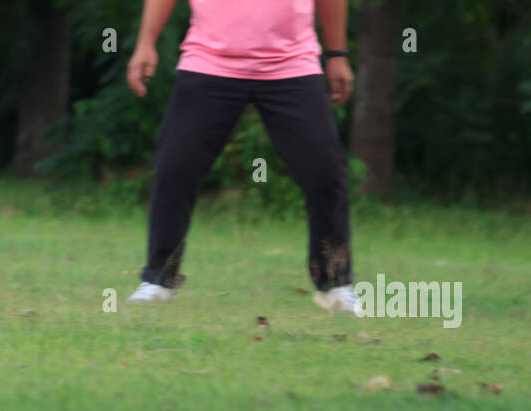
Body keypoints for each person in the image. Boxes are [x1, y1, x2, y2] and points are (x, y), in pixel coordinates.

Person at [126, 0, 361, 314]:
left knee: (325, 174)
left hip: (292, 64)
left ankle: (335, 284)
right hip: (208, 61)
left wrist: (337, 54)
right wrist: (145, 43)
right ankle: (158, 279)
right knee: (175, 168)